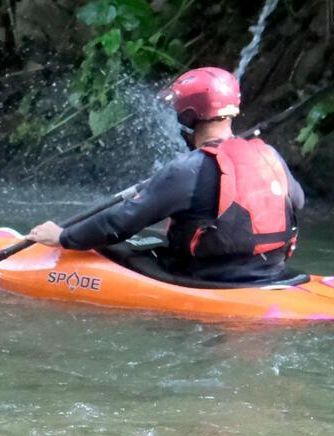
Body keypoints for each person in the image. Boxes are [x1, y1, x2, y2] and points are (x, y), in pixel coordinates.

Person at [28, 66, 305, 286]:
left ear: (189, 116)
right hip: (271, 270)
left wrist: (63, 236)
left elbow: (118, 223)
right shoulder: (270, 156)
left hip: (209, 277)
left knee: (117, 246)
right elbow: (297, 202)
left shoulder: (188, 168)